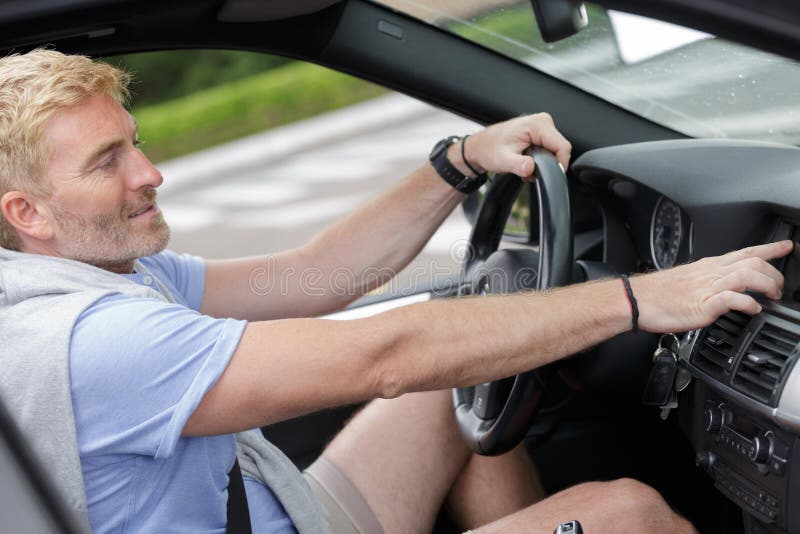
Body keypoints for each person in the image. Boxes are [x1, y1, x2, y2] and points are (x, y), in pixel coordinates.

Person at [0, 49, 789, 534]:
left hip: (283, 514)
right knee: (629, 516)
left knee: (454, 379)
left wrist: (458, 163)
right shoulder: (90, 341)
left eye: (135, 143)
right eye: (109, 163)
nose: (150, 173)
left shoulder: (108, 272)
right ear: (26, 213)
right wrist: (640, 299)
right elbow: (387, 355)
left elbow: (310, 275)